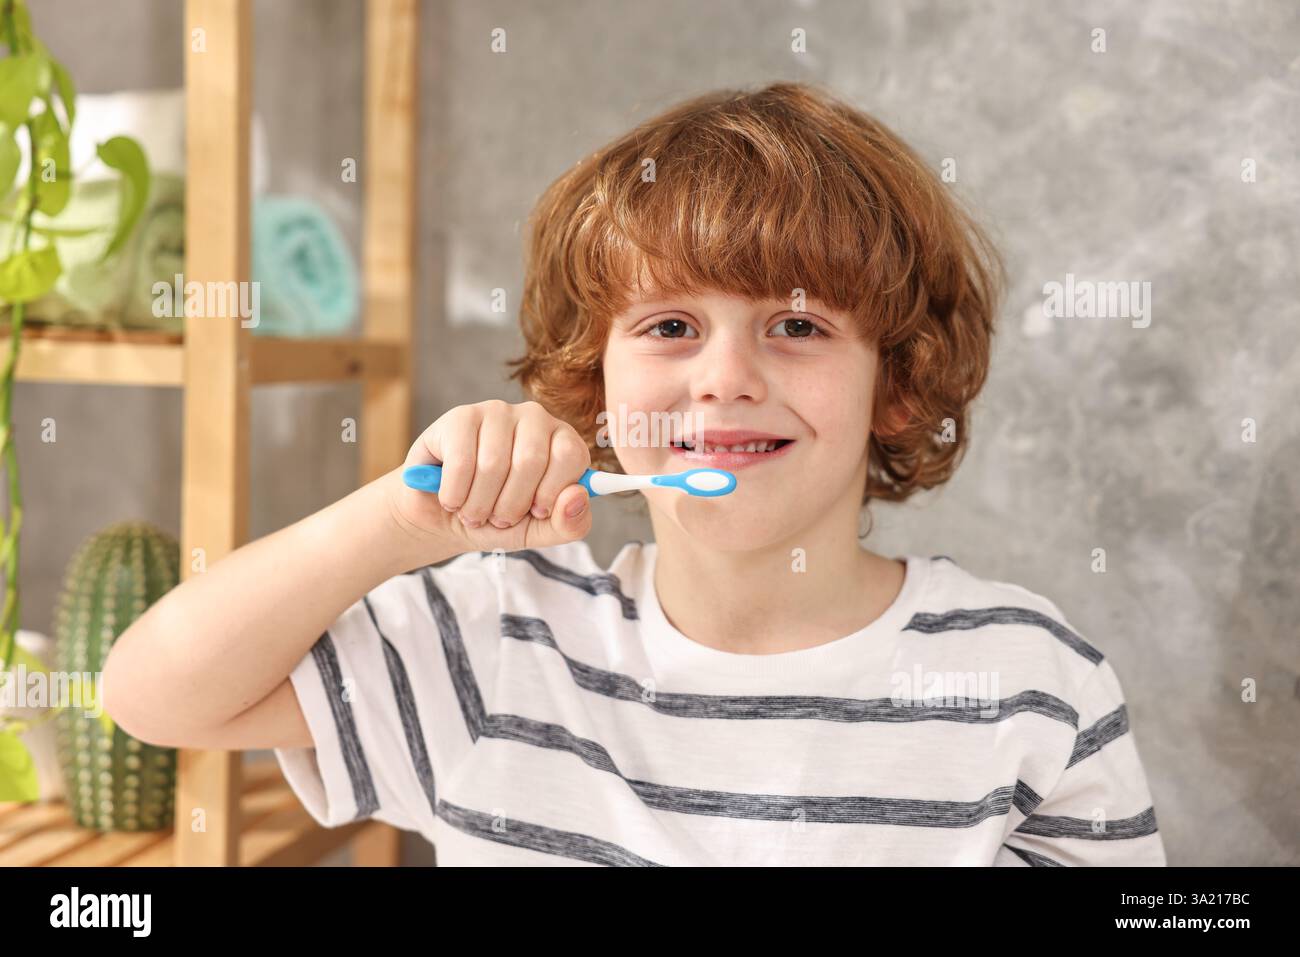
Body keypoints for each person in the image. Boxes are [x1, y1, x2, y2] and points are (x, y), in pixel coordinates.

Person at [104, 82, 1165, 866]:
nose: (724, 379)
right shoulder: (494, 647)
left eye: (796, 324)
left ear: (896, 383)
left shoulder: (1028, 682)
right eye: (669, 326)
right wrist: (402, 521)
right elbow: (155, 694)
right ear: (593, 386)